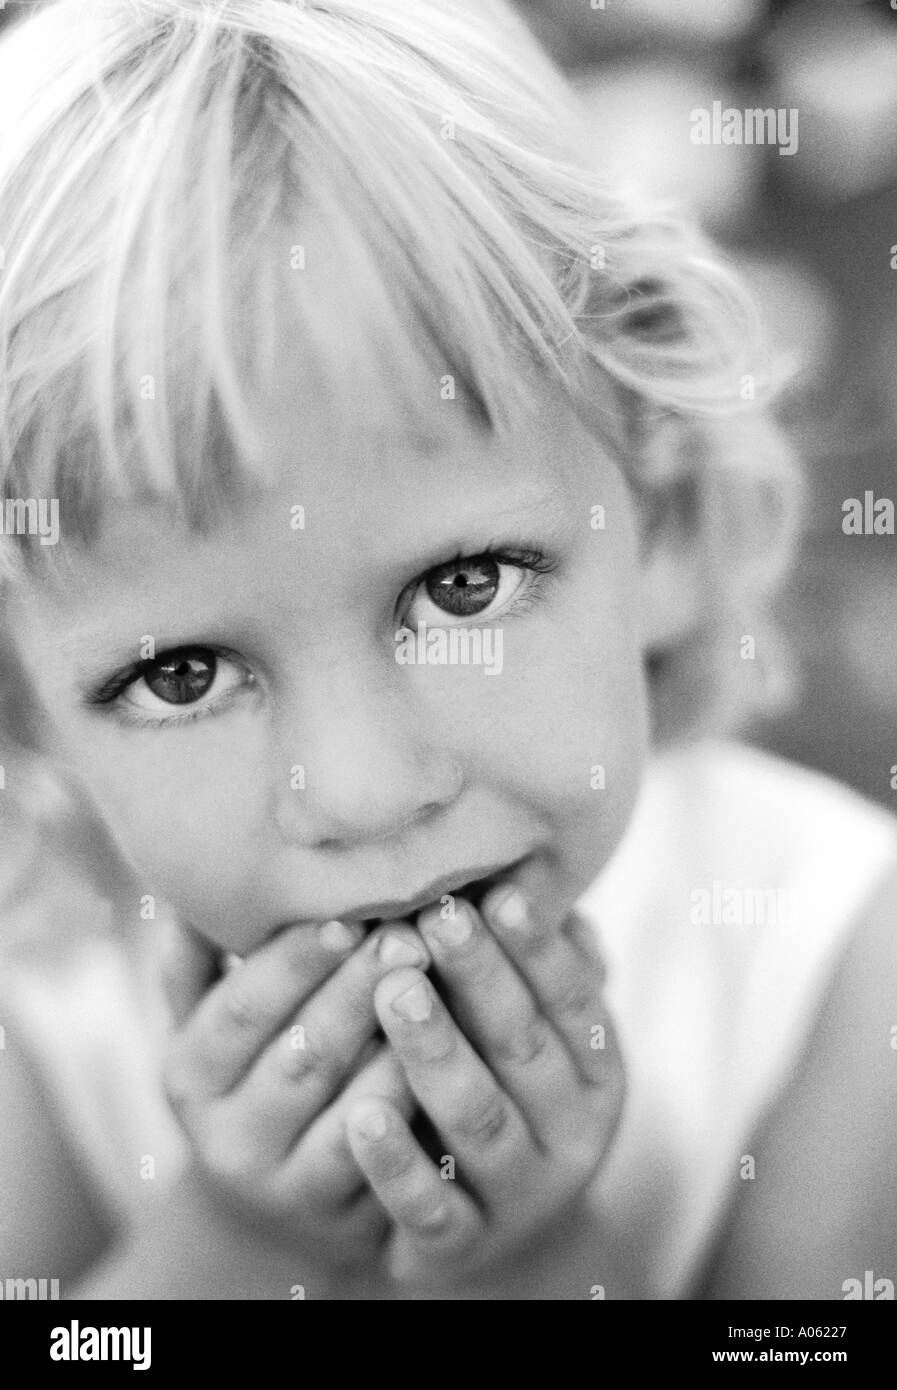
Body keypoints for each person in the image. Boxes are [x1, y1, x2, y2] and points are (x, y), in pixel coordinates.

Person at [0, 0, 894, 1301]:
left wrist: (531, 1267)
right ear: (26, 717)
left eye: (462, 586)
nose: (366, 789)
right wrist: (239, 1248)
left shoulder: (830, 957)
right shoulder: (39, 998)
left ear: (662, 511)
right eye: (179, 673)